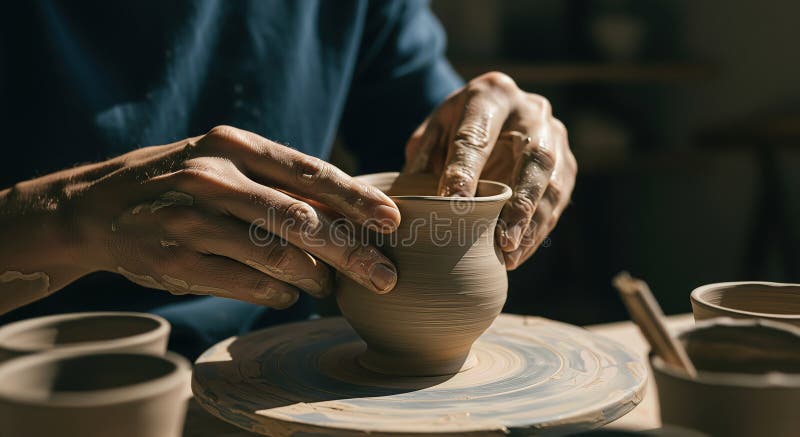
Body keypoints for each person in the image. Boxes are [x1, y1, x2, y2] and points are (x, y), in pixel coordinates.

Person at [0, 0, 576, 357]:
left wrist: (516, 145)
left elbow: (443, 165)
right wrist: (67, 216)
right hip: (36, 374)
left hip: (271, 359)